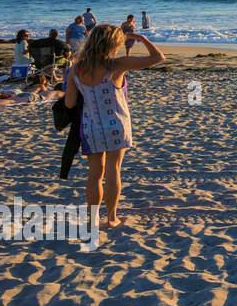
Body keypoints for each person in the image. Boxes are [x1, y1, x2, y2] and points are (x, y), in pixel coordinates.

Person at [62, 25, 165, 230]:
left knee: (94, 174)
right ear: (113, 44)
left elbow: (69, 104)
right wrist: (142, 38)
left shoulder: (75, 69)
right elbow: (158, 58)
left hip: (91, 126)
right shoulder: (117, 65)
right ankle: (111, 218)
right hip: (116, 125)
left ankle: (92, 220)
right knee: (113, 171)